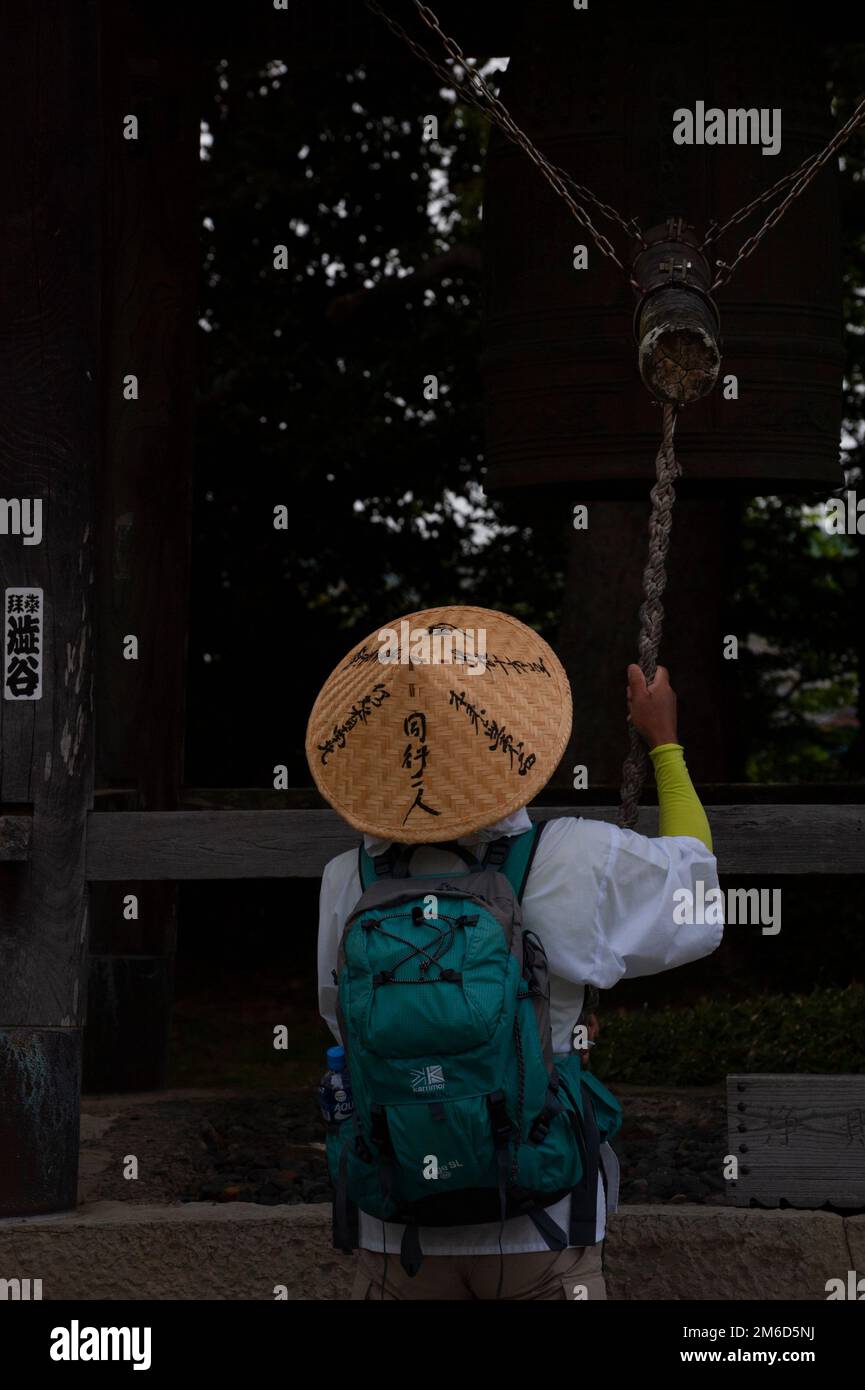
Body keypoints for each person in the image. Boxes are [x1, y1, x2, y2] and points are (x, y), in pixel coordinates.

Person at [307, 604, 722, 1300]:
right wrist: (665, 744)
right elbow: (698, 900)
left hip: (395, 1228)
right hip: (540, 1219)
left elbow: (341, 1022)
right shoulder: (572, 854)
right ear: (508, 742)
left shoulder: (347, 878)